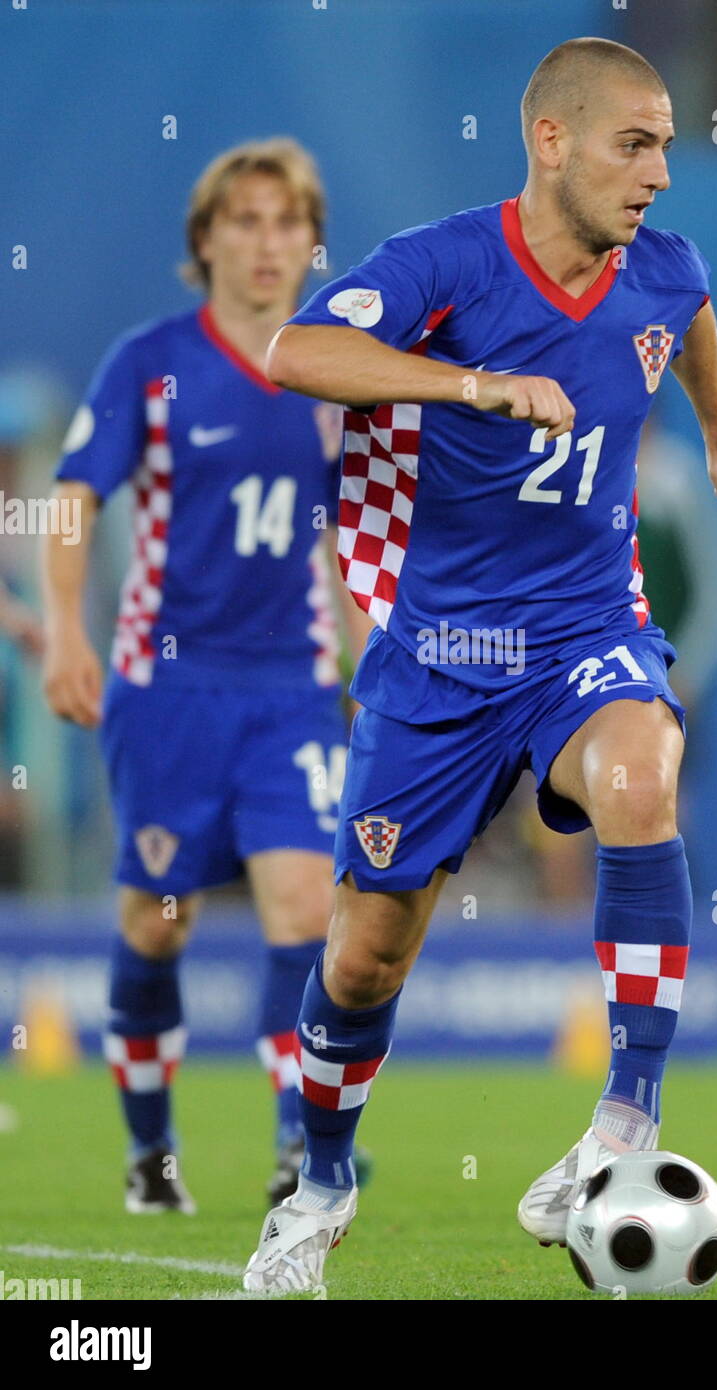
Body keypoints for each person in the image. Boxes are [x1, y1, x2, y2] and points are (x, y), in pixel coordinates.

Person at [243, 39, 717, 1292]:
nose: (657, 171)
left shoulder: (664, 268)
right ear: (552, 141)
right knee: (366, 954)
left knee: (644, 775)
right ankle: (317, 1191)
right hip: (437, 663)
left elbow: (687, 315)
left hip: (588, 633)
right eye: (632, 144)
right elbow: (298, 355)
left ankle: (621, 1125)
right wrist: (471, 386)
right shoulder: (445, 263)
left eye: (665, 145)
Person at [41, 138, 371, 1214]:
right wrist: (66, 628)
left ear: (309, 242)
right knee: (157, 921)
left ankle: (297, 1149)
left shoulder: (335, 365)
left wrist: (374, 644)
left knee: (304, 905)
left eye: (288, 222)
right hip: (167, 691)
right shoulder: (150, 359)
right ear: (207, 239)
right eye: (247, 220)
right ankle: (151, 1154)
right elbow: (76, 495)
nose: (269, 243)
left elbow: (350, 529)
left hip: (290, 690)